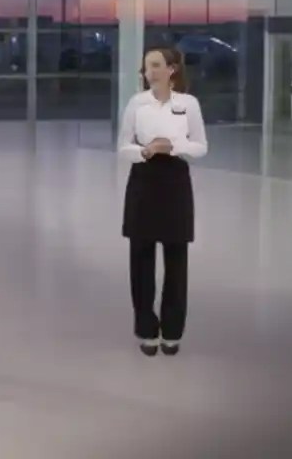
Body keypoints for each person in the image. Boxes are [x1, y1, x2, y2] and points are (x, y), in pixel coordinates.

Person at [117, 47, 208, 357]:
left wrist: (173, 145)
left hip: (175, 180)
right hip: (143, 178)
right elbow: (123, 145)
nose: (150, 72)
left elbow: (200, 146)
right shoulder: (136, 104)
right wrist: (144, 152)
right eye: (146, 67)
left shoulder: (188, 104)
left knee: (176, 259)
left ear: (171, 69)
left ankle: (172, 330)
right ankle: (145, 327)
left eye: (156, 66)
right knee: (141, 258)